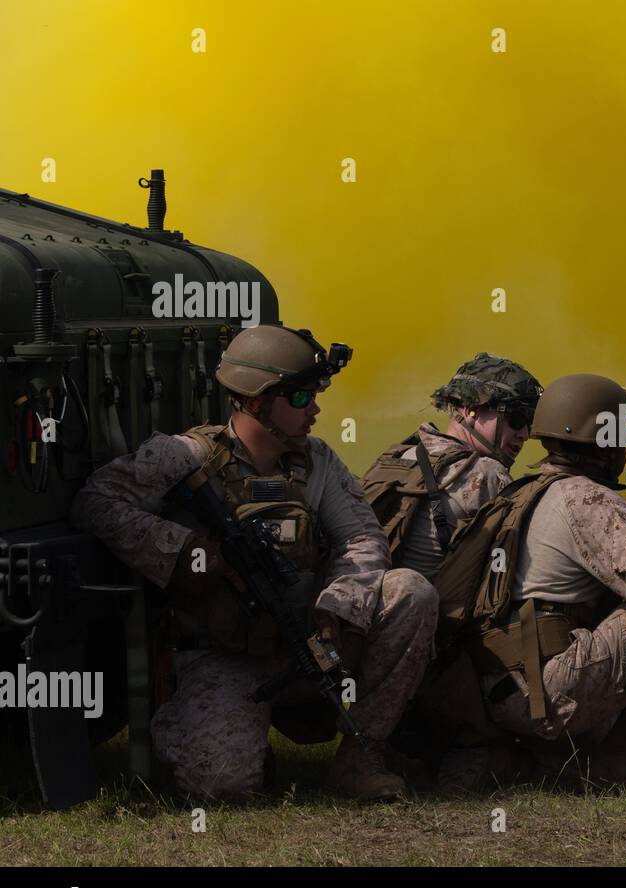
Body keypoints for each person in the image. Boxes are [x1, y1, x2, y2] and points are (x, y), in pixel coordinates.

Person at [69, 324, 438, 802]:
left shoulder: (318, 462)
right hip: (225, 655)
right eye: (301, 397)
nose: (316, 409)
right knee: (223, 784)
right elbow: (96, 502)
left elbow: (361, 539)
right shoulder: (184, 455)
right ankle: (209, 733)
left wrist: (336, 608)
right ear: (257, 400)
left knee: (410, 591)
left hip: (308, 640)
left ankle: (360, 757)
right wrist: (191, 551)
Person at [448, 373, 626, 791]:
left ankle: (556, 755)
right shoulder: (585, 499)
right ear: (604, 440)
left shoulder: (528, 489)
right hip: (539, 693)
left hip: (508, 686)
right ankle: (623, 756)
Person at [361, 353, 541, 581]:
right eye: (516, 418)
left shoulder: (400, 454)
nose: (524, 434)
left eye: (530, 422)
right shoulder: (487, 473)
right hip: (436, 613)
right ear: (470, 409)